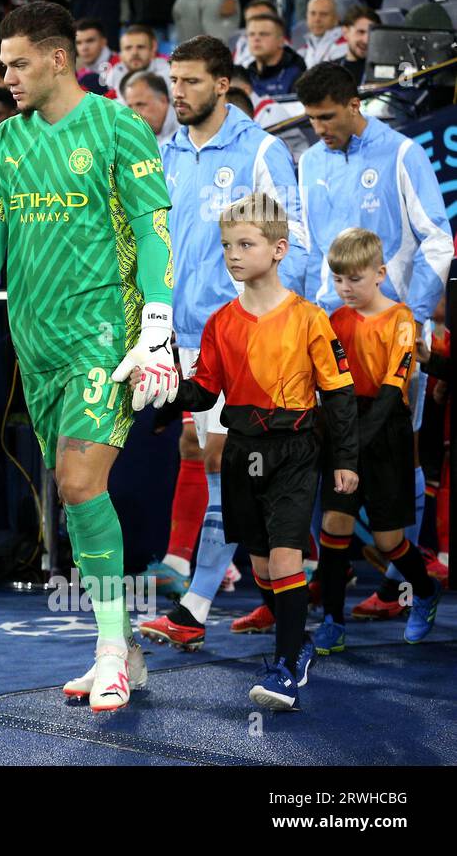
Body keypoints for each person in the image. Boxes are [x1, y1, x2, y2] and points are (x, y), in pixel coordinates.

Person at [0, 2, 175, 712]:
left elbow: (154, 231)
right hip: (34, 341)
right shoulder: (6, 142)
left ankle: (108, 655)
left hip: (107, 330)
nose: (5, 77)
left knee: (75, 482)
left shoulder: (118, 126)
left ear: (59, 59)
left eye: (16, 64)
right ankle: (123, 640)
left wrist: (157, 320)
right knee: (74, 494)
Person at [139, 35, 310, 648]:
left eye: (188, 82)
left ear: (221, 84)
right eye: (173, 80)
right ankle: (278, 587)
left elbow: (298, 244)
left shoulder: (262, 151)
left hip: (237, 334)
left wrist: (275, 331)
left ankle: (192, 611)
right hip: (180, 335)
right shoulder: (168, 153)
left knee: (221, 460)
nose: (176, 93)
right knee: (200, 448)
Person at [163, 192, 356, 711]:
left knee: (288, 555)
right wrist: (160, 394)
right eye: (227, 244)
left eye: (245, 243)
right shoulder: (220, 322)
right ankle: (300, 642)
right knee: (265, 568)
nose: (232, 253)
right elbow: (203, 391)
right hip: (242, 451)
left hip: (295, 449)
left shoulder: (310, 318)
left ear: (278, 250)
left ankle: (288, 664)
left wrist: (345, 460)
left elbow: (338, 396)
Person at [295, 63, 453, 617]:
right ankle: (352, 583)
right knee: (336, 452)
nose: (320, 129)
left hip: (390, 335)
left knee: (395, 450)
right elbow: (309, 251)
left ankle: (401, 581)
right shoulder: (309, 162)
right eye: (312, 119)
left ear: (355, 103)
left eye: (329, 116)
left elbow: (438, 240)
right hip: (327, 337)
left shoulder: (402, 153)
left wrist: (410, 319)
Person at [314, 227, 443, 654]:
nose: (344, 288)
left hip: (387, 429)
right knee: (335, 525)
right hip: (347, 421)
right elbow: (330, 386)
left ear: (381, 273)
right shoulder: (333, 320)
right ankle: (333, 621)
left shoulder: (403, 318)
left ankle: (424, 592)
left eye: (354, 278)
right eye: (338, 279)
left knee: (389, 541)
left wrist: (355, 443)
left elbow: (393, 388)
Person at [104, 23, 171, 104]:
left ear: (153, 49)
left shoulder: (168, 73)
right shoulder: (114, 73)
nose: (134, 53)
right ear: (121, 54)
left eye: (140, 47)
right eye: (128, 48)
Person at [245, 13, 307, 97]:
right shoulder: (246, 75)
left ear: (281, 41)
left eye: (263, 34)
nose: (256, 39)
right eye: (251, 34)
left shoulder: (298, 74)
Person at [121, 71, 178, 146]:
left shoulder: (188, 130)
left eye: (140, 104)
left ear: (162, 100)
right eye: (130, 107)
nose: (133, 114)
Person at [298, 0, 348, 67]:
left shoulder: (345, 46)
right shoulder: (303, 50)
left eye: (323, 14)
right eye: (313, 13)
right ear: (307, 16)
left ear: (336, 18)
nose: (317, 19)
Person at [339, 5, 379, 86]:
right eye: (361, 32)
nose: (366, 40)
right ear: (345, 32)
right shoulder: (331, 69)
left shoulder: (385, 70)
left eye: (371, 33)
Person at [74, 18, 115, 92]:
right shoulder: (81, 74)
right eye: (79, 43)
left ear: (103, 42)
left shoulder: (121, 67)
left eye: (90, 41)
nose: (84, 48)